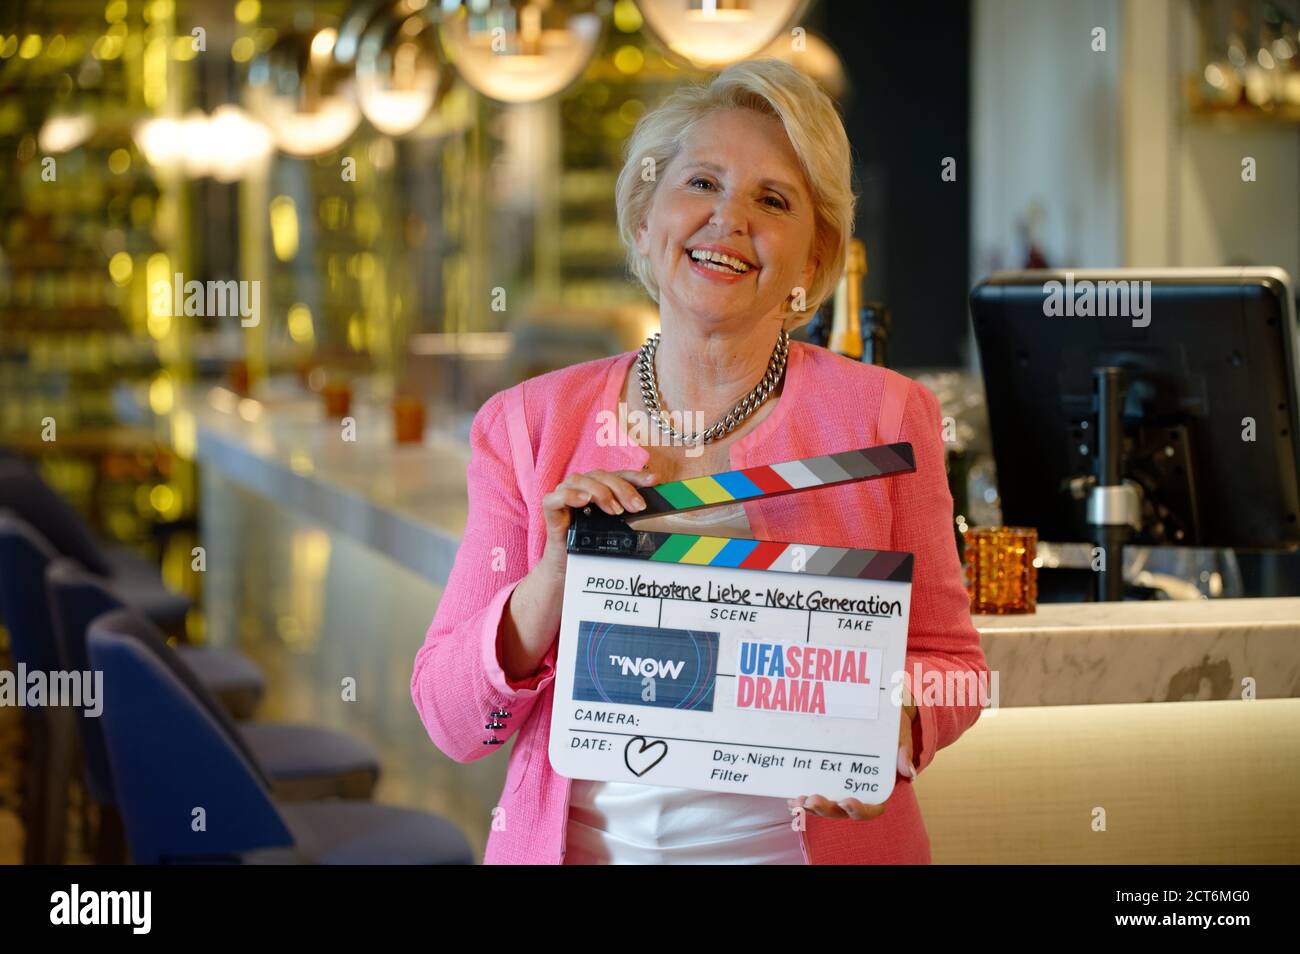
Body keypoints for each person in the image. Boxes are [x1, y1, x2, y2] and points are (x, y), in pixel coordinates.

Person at [411, 58, 989, 864]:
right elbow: (450, 720)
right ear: (645, 222)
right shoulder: (526, 426)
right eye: (701, 184)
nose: (728, 220)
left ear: (813, 262)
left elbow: (954, 666)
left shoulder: (886, 415)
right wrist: (550, 584)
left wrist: (896, 724)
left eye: (772, 200)